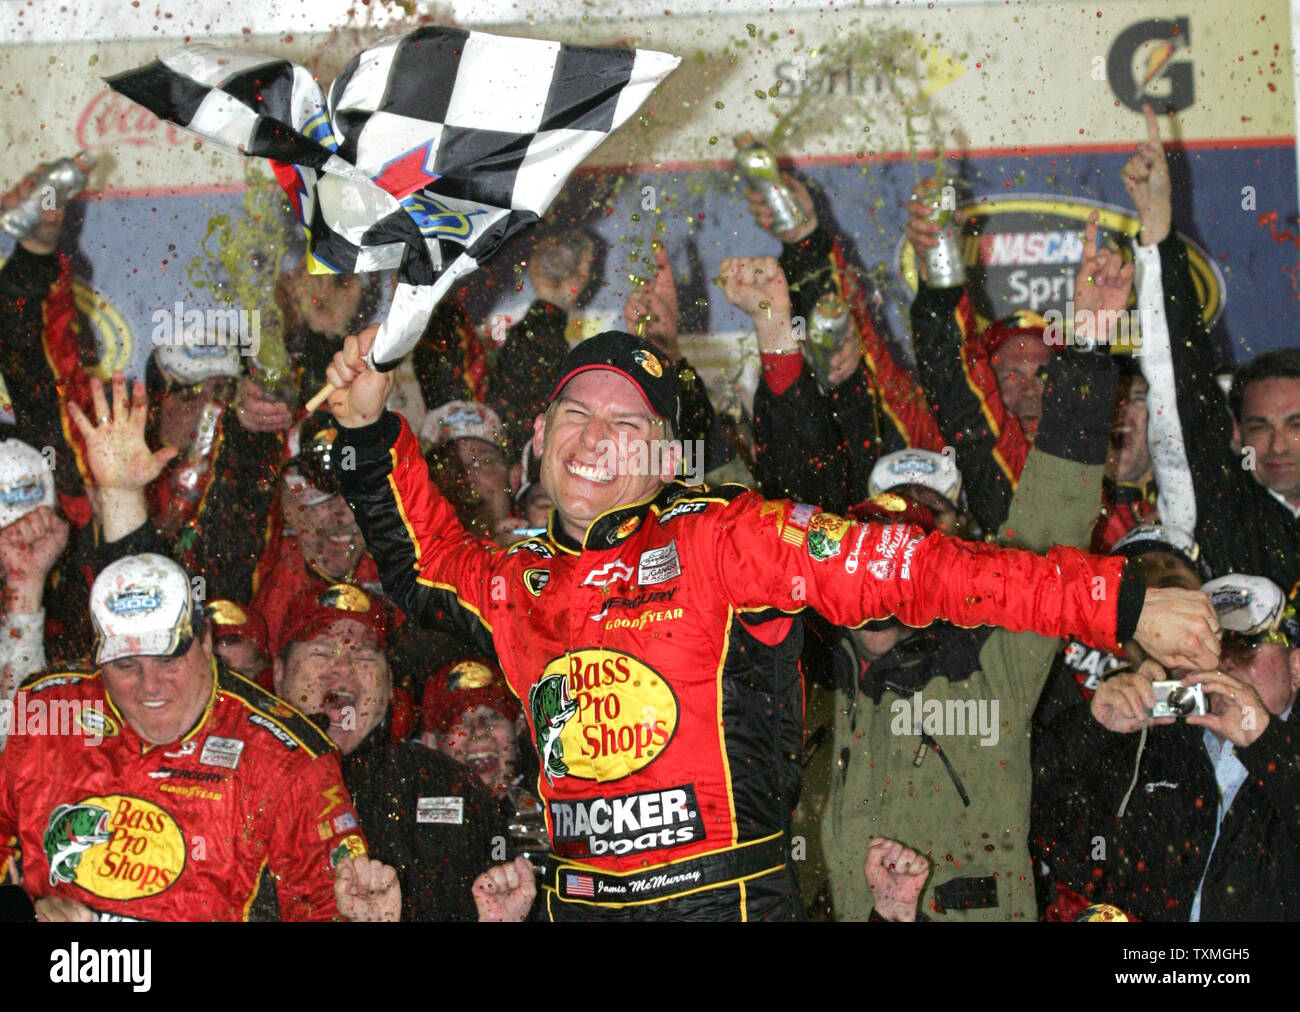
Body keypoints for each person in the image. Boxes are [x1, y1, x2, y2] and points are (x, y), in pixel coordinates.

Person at [325, 323, 1220, 922]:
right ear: (540, 431)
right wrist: (368, 434)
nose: (595, 438)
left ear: (669, 459)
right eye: (577, 412)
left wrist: (1123, 601)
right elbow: (421, 563)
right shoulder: (519, 582)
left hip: (724, 904)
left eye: (628, 423)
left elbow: (922, 570)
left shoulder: (726, 539)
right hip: (577, 906)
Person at [0, 552, 369, 921]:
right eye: (126, 665)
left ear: (206, 640)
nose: (150, 685)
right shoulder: (48, 712)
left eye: (167, 660)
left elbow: (331, 910)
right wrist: (22, 911)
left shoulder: (288, 758)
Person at [1035, 573, 1300, 920]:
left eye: (1244, 648)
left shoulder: (1288, 760)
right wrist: (1092, 729)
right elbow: (1046, 828)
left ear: (1296, 667)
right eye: (1205, 648)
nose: (1222, 663)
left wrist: (1266, 743)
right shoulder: (1157, 748)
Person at [1123, 104, 1300, 602]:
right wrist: (1157, 231)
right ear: (1236, 433)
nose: (1278, 447)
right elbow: (1181, 384)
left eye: (1296, 425)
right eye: (1260, 427)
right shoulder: (1217, 508)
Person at [272, 583, 509, 921]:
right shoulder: (240, 781)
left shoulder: (445, 785)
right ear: (279, 674)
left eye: (364, 656)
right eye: (322, 652)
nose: (343, 667)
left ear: (388, 685)